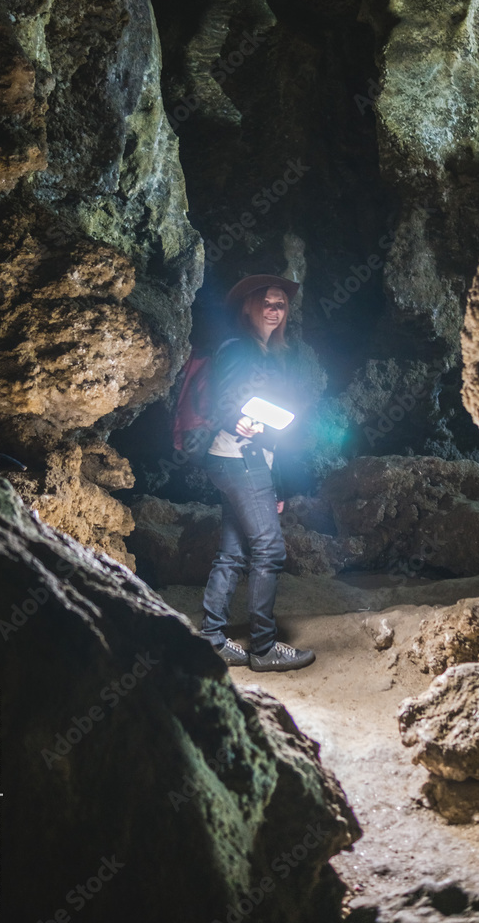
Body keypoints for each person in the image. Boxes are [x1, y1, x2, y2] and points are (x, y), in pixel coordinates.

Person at [199, 274, 316, 672]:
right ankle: (263, 648)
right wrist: (238, 419)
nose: (274, 308)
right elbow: (222, 395)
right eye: (266, 301)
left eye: (280, 304)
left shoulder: (269, 354)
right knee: (270, 549)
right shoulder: (239, 349)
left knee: (232, 553)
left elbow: (273, 432)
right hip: (239, 456)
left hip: (243, 460)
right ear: (248, 306)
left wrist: (277, 486)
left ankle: (211, 639)